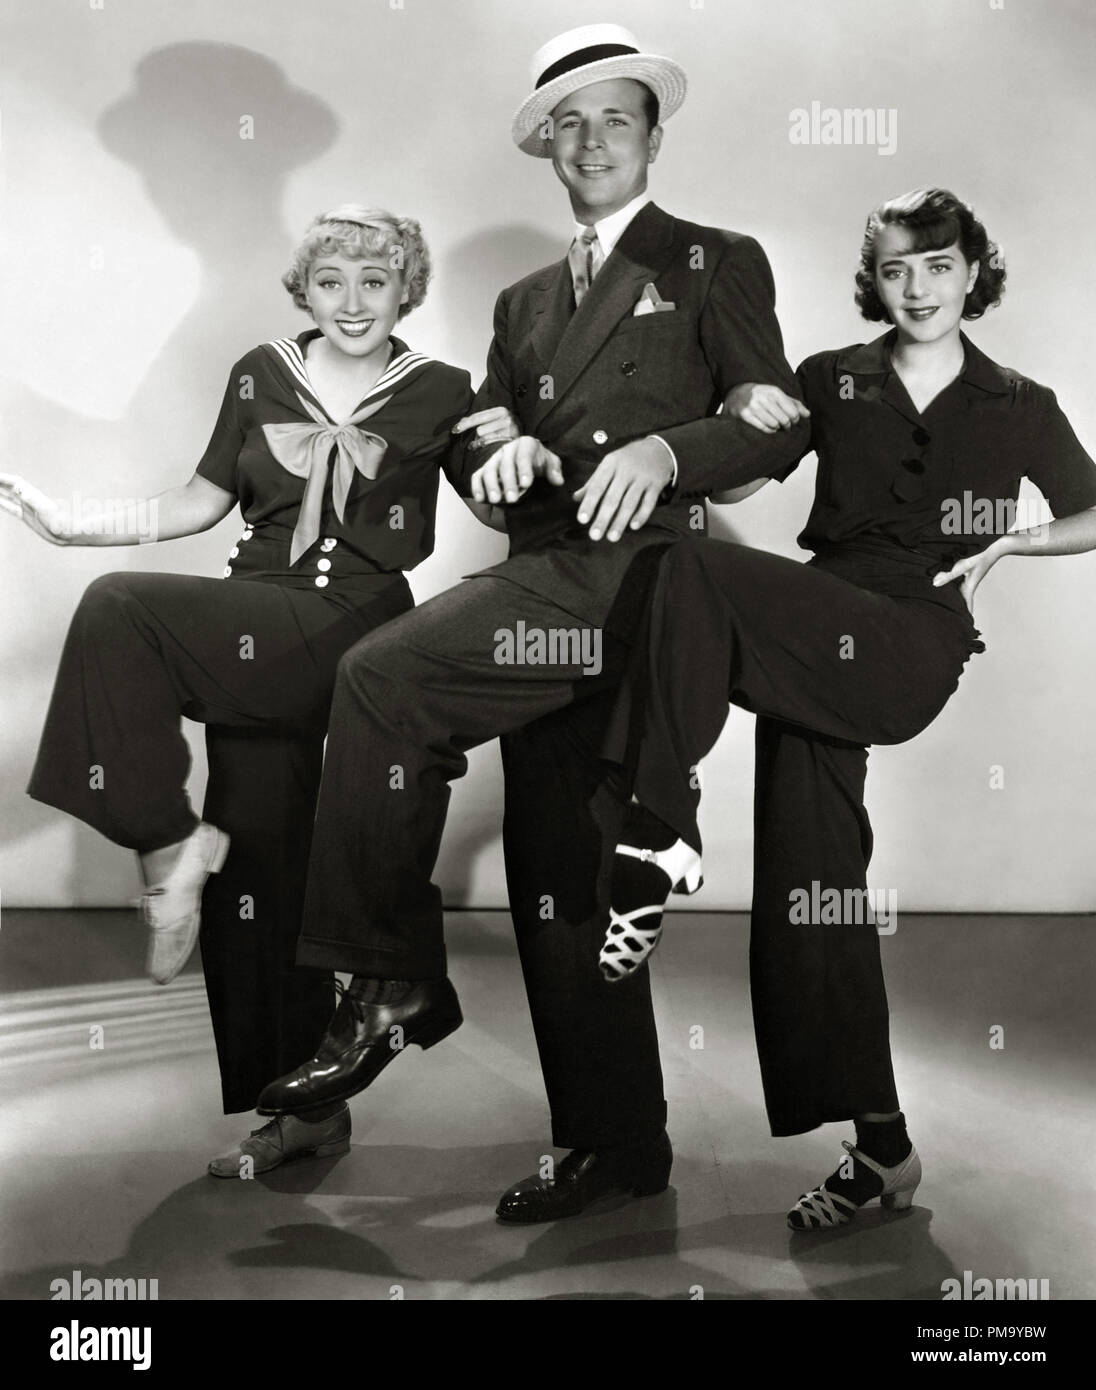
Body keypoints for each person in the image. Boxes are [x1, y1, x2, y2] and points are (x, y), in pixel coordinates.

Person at [254, 23, 809, 1223]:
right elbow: (489, 437)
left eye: (616, 117)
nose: (593, 139)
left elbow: (775, 422)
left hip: (644, 592)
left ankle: (388, 981)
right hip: (547, 587)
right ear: (546, 147)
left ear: (653, 137)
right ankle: (615, 1145)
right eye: (571, 121)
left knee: (381, 678)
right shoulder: (515, 303)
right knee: (565, 881)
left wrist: (672, 447)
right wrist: (491, 447)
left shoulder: (716, 261)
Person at [595, 187, 1096, 1228]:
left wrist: (1013, 540)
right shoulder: (833, 378)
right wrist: (729, 420)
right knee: (807, 885)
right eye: (896, 268)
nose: (917, 287)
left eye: (937, 265)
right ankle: (882, 1150)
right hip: (816, 634)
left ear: (971, 271)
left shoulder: (1019, 401)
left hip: (908, 641)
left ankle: (653, 829)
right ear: (874, 278)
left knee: (689, 573)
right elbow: (741, 480)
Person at [1, 205, 512, 1177]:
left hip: (358, 627)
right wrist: (73, 523)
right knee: (257, 871)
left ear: (409, 288)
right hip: (253, 625)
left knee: (121, 612)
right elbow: (198, 502)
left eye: (376, 279)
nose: (354, 300)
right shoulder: (258, 371)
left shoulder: (444, 388)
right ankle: (301, 1109)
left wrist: (508, 442)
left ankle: (164, 845)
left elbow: (492, 502)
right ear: (303, 290)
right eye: (332, 281)